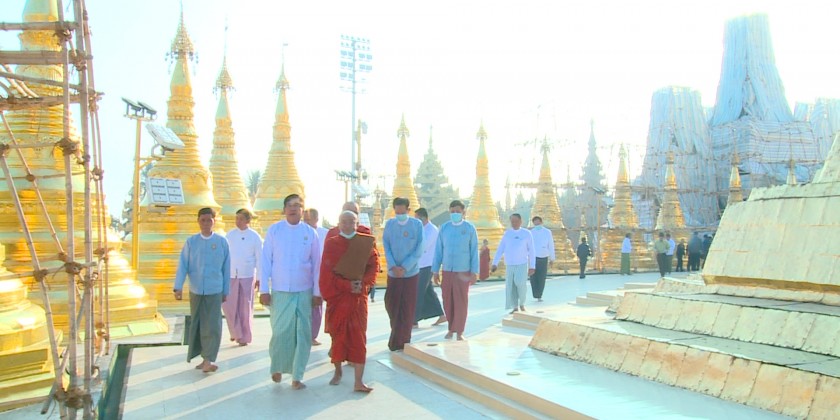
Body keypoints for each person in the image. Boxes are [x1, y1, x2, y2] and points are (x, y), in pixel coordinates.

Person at [259, 194, 322, 390]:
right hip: (280, 290)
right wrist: (263, 289)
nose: (294, 209)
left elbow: (317, 264)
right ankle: (277, 367)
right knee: (280, 332)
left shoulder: (310, 234)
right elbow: (265, 261)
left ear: (303, 210)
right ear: (284, 209)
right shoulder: (275, 231)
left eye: (298, 205)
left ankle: (297, 376)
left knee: (303, 334)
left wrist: (317, 292)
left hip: (304, 290)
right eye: (290, 205)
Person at [319, 211, 378, 393]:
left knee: (359, 339)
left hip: (357, 299)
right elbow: (327, 273)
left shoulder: (365, 242)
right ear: (338, 224)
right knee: (338, 338)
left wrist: (363, 284)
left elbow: (374, 265)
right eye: (343, 222)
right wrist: (346, 285)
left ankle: (359, 381)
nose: (347, 225)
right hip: (339, 298)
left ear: (356, 223)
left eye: (351, 222)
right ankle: (337, 371)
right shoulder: (332, 244)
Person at [173, 207, 230, 373]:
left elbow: (226, 268)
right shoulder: (191, 242)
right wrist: (178, 286)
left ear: (214, 221)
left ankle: (209, 359)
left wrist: (226, 290)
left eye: (209, 220)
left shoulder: (221, 242)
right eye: (203, 220)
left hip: (215, 289)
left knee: (212, 325)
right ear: (198, 222)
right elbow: (183, 265)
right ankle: (202, 356)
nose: (206, 223)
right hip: (196, 289)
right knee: (197, 324)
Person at [432, 200, 479, 340]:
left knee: (461, 301)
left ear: (463, 212)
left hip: (463, 271)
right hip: (447, 270)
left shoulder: (469, 229)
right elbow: (438, 250)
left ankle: (459, 331)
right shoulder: (444, 228)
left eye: (458, 212)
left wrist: (474, 272)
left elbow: (474, 251)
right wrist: (435, 270)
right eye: (452, 212)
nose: (455, 214)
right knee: (447, 300)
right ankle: (450, 328)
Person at [382, 197, 424, 351]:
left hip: (410, 273)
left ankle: (402, 340)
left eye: (402, 211)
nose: (399, 214)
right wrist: (393, 266)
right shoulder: (390, 225)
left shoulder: (416, 225)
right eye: (397, 212)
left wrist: (405, 267)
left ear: (408, 210)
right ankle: (396, 333)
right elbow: (386, 246)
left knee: (407, 308)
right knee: (392, 305)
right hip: (394, 273)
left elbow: (419, 249)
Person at [222, 208, 262, 347]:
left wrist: (260, 278)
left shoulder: (254, 236)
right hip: (231, 275)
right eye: (236, 218)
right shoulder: (230, 235)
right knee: (228, 305)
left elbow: (259, 258)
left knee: (245, 307)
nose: (237, 221)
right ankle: (235, 332)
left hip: (247, 275)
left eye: (241, 218)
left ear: (247, 220)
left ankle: (244, 336)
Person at [325, 201, 376, 301]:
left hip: (360, 290)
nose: (351, 215)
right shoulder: (332, 234)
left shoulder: (365, 234)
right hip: (337, 291)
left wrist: (364, 283)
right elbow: (326, 267)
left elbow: (373, 262)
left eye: (355, 212)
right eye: (347, 211)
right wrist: (345, 285)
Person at [492, 213, 535, 314]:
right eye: (512, 222)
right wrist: (495, 263)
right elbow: (500, 249)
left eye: (516, 221)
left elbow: (532, 251)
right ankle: (515, 306)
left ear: (521, 221)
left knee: (520, 283)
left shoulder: (527, 234)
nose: (514, 223)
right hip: (510, 264)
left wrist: (532, 266)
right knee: (511, 286)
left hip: (522, 264)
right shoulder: (507, 234)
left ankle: (522, 303)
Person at [413, 208, 446, 328]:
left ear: (423, 218)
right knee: (428, 291)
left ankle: (413, 320)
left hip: (427, 265)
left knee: (418, 291)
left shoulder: (432, 230)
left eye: (417, 219)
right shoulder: (421, 229)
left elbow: (423, 246)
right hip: (420, 264)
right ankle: (441, 314)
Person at [304, 208, 330, 346]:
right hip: (303, 275)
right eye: (305, 220)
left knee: (316, 305)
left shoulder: (325, 234)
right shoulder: (300, 232)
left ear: (316, 219)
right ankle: (302, 334)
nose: (306, 222)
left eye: (309, 219)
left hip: (320, 274)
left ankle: (313, 335)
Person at [529, 216, 555, 302]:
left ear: (541, 222)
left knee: (541, 277)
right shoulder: (531, 232)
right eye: (535, 223)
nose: (537, 224)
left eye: (538, 222)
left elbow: (550, 245)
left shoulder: (547, 232)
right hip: (533, 258)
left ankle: (539, 294)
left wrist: (552, 258)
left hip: (543, 257)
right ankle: (535, 293)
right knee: (533, 277)